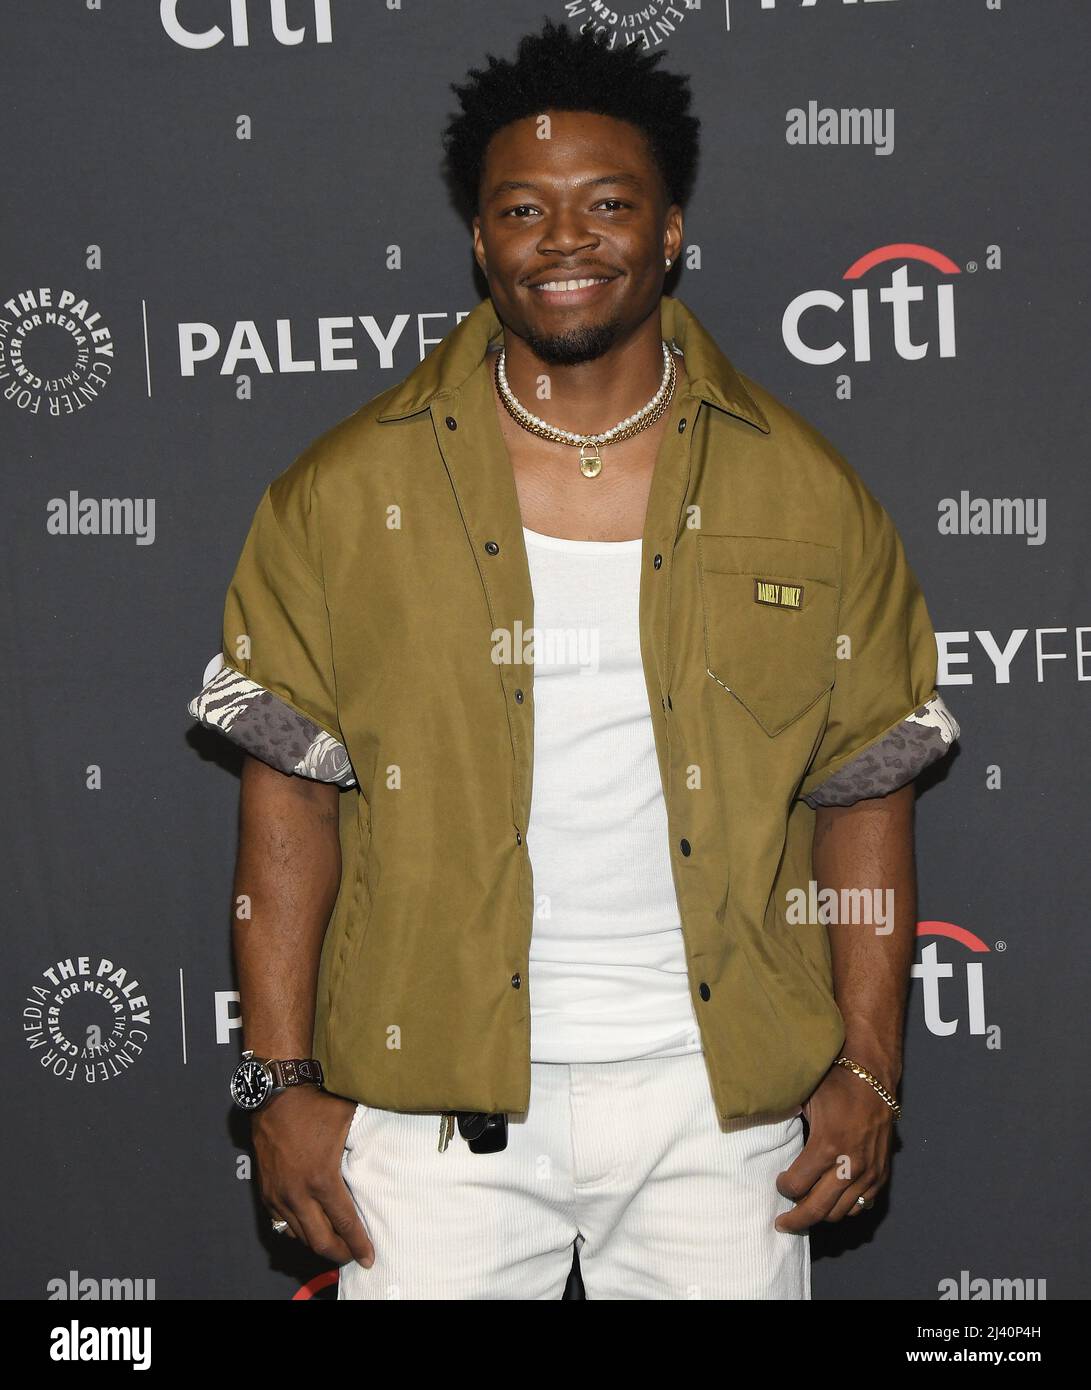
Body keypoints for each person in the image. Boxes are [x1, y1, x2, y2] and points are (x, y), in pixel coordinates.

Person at [188, 19, 960, 1300]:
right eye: (521, 208)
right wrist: (278, 1080)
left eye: (607, 202)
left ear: (668, 230)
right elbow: (288, 799)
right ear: (479, 240)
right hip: (426, 1113)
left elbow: (861, 793)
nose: (563, 239)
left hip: (722, 1124)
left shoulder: (809, 495)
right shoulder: (340, 493)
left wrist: (867, 1067)